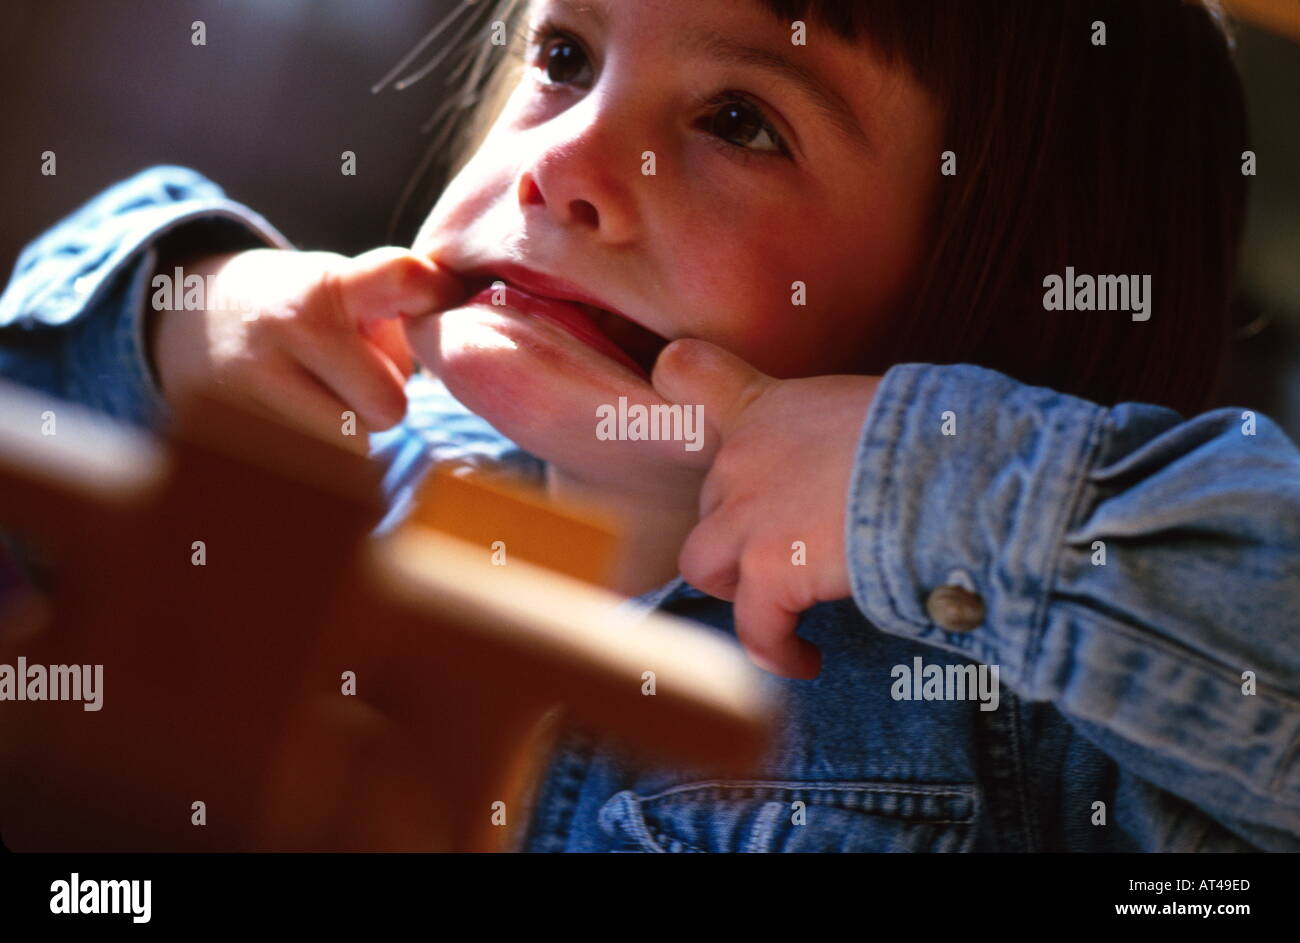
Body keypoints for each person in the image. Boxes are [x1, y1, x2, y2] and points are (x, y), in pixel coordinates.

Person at [1, 0, 1296, 852]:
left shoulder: (1016, 701)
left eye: (738, 122)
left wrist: (934, 478)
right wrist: (168, 317)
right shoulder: (344, 454)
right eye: (565, 57)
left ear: (997, 308)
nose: (561, 165)